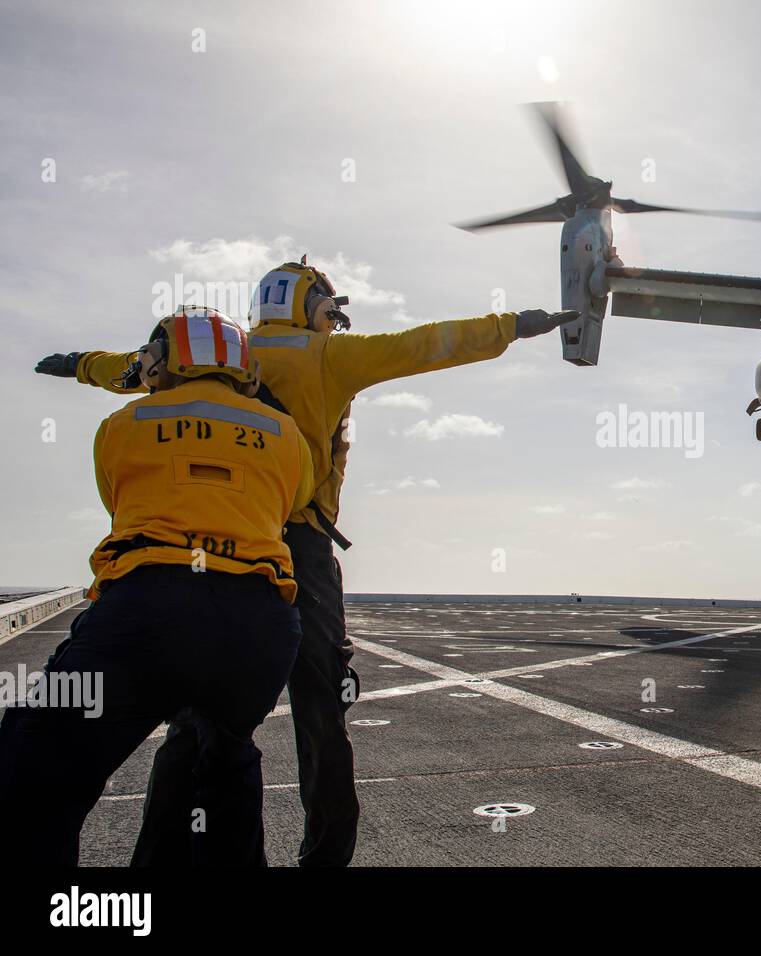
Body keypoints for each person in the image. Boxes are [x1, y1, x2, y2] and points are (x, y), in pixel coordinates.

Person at [36, 258, 576, 865]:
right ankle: (325, 853)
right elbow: (429, 344)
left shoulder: (216, 355)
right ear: (307, 302)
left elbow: (133, 368)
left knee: (198, 718)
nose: (335, 317)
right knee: (322, 713)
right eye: (328, 306)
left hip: (213, 549)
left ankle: (165, 857)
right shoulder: (328, 356)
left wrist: (77, 365)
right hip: (298, 549)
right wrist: (518, 324)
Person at [2, 307, 314, 865]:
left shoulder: (127, 424)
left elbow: (116, 499)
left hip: (150, 609)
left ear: (166, 361)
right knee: (222, 767)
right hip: (259, 624)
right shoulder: (285, 433)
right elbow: (292, 500)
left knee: (36, 761)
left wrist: (87, 367)